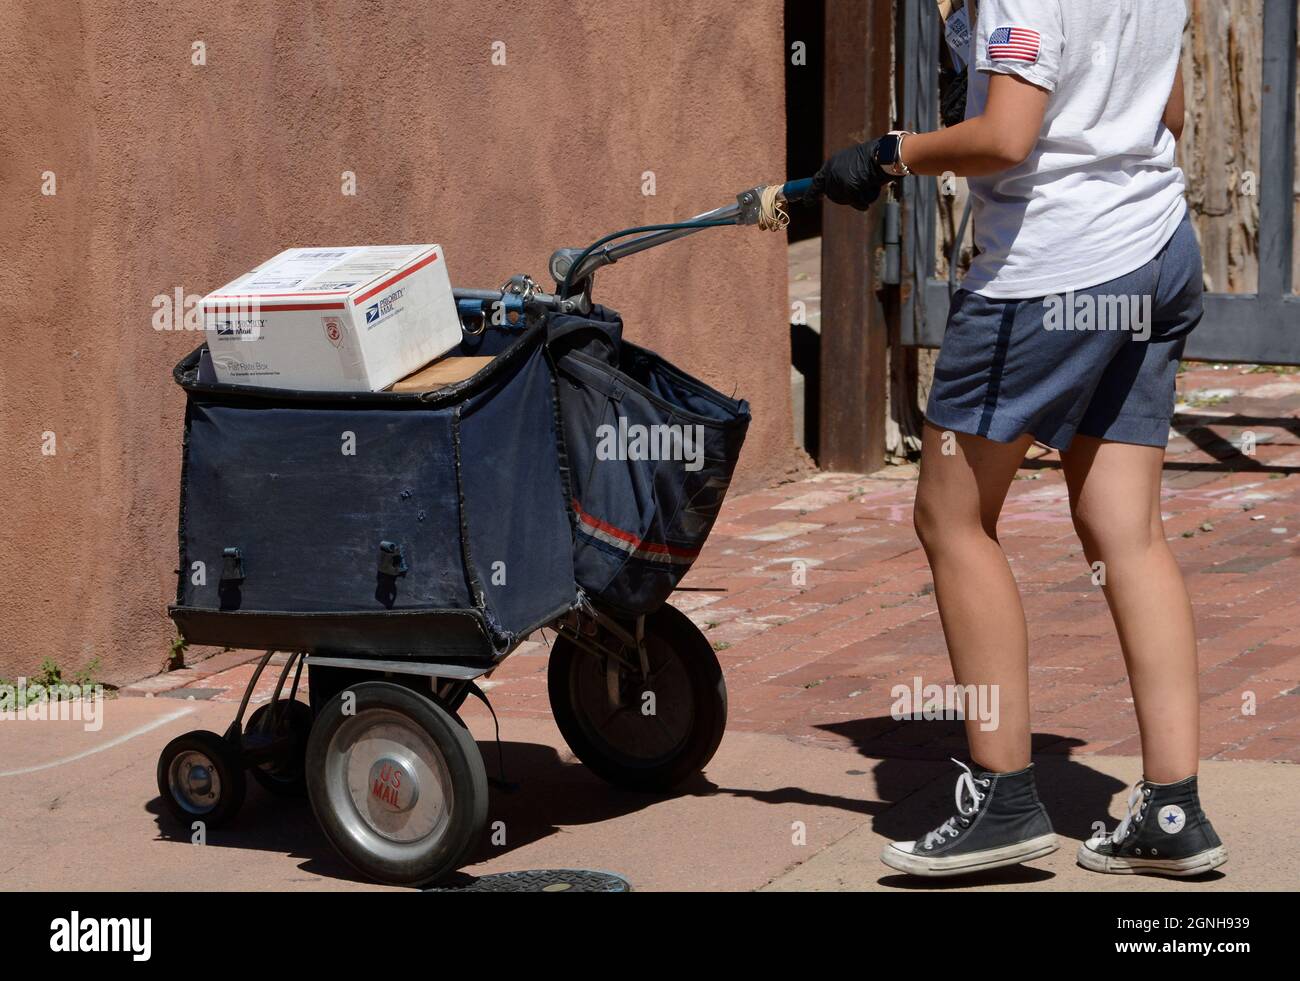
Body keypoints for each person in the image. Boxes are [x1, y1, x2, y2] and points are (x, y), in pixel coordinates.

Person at [813, 0, 1226, 878]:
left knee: (952, 516)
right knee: (1129, 528)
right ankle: (1172, 808)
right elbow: (1172, 114)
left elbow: (1006, 137)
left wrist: (893, 154)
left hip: (1054, 275)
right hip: (1156, 250)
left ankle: (1003, 798)